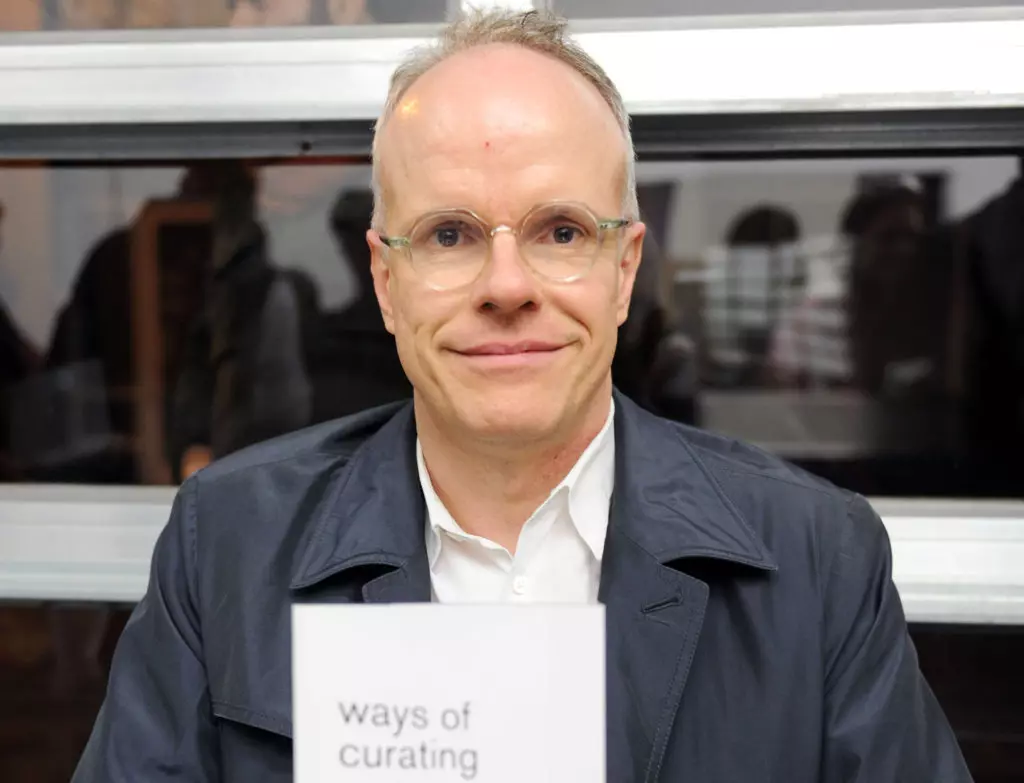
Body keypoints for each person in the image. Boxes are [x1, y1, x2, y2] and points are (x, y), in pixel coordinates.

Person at [72, 9, 971, 782]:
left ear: (624, 272)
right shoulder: (225, 546)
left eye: (562, 229)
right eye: (452, 232)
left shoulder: (817, 560)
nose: (507, 284)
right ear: (386, 281)